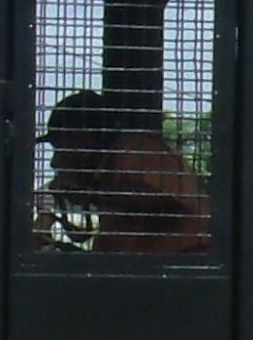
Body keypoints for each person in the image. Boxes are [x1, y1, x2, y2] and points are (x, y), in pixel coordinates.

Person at [41, 88, 213, 256]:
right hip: (156, 273)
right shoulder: (106, 175)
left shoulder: (136, 149)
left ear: (84, 140)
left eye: (61, 148)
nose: (55, 162)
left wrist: (89, 192)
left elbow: (164, 202)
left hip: (190, 267)